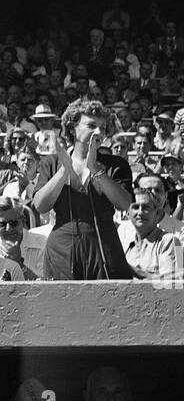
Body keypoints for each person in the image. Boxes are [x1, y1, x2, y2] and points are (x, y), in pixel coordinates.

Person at [30, 98, 134, 279]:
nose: (98, 131)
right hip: (62, 250)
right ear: (71, 128)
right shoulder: (52, 163)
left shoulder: (116, 164)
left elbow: (125, 204)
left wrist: (96, 170)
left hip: (104, 247)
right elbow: (40, 206)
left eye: (102, 127)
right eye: (91, 125)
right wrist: (64, 169)